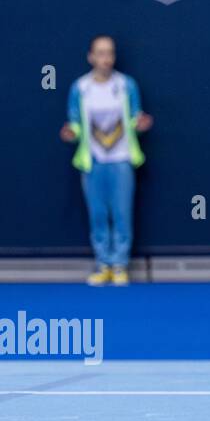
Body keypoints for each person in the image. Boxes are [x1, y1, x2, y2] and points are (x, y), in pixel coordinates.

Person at [60, 36, 153, 286]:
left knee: (122, 214)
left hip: (121, 159)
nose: (106, 58)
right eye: (100, 53)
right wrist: (72, 133)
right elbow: (75, 122)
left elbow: (134, 116)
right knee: (98, 215)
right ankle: (103, 264)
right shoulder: (80, 87)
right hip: (93, 162)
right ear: (91, 57)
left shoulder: (126, 85)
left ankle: (120, 265)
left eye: (109, 53)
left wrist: (140, 124)